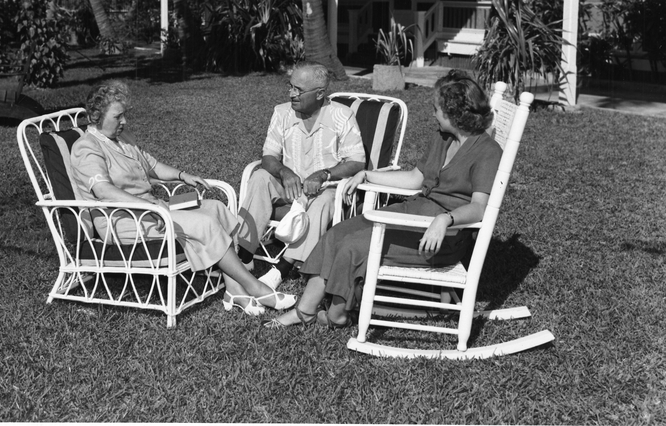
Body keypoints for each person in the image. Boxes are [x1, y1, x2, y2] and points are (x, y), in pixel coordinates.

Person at [265, 70, 502, 328]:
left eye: (437, 109)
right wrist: (367, 175)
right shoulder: (443, 138)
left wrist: (445, 219)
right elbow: (415, 178)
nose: (433, 114)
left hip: (441, 236)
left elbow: (480, 207)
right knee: (338, 233)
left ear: (454, 113)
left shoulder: (487, 152)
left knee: (353, 246)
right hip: (416, 212)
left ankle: (337, 315)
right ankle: (306, 310)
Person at [70, 80, 296, 317]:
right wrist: (149, 206)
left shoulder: (123, 138)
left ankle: (233, 290)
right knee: (204, 223)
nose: (124, 121)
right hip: (123, 219)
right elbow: (104, 191)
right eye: (118, 116)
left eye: (124, 115)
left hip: (153, 209)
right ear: (97, 116)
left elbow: (152, 165)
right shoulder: (87, 147)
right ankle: (255, 287)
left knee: (215, 208)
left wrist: (183, 176)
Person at [237, 61, 366, 290]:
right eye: (290, 86)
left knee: (326, 200)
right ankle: (243, 256)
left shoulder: (341, 116)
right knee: (259, 177)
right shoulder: (282, 112)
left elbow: (357, 162)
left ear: (319, 93)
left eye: (298, 90)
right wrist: (283, 171)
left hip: (325, 190)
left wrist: (324, 174)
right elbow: (268, 156)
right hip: (290, 188)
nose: (291, 94)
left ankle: (283, 268)